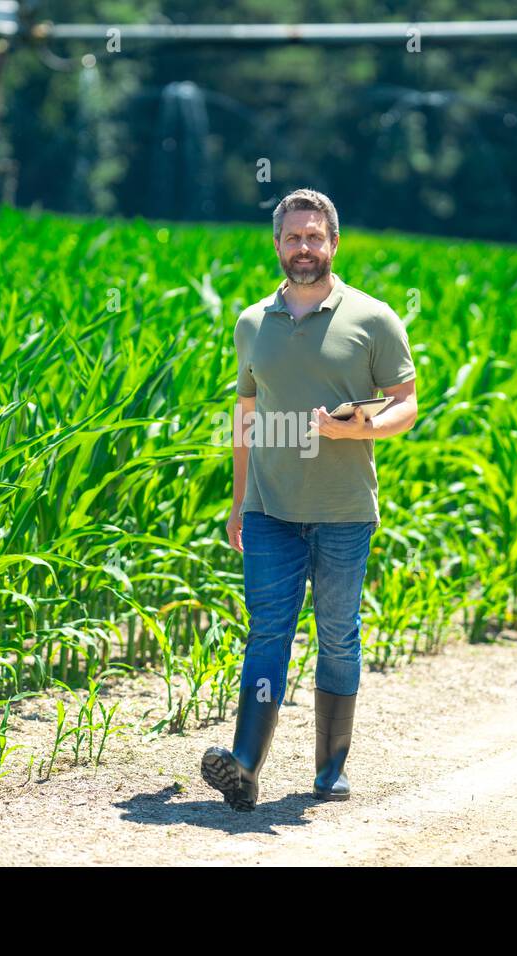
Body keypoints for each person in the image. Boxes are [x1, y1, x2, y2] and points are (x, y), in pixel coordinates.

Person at [201, 188, 418, 811]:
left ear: (333, 243)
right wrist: (239, 499)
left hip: (344, 508)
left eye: (314, 237)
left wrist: (361, 428)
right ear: (277, 245)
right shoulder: (252, 322)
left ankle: (330, 769)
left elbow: (407, 401)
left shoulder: (374, 318)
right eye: (293, 238)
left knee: (337, 636)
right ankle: (244, 765)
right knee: (266, 633)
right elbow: (245, 415)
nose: (304, 248)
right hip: (270, 509)